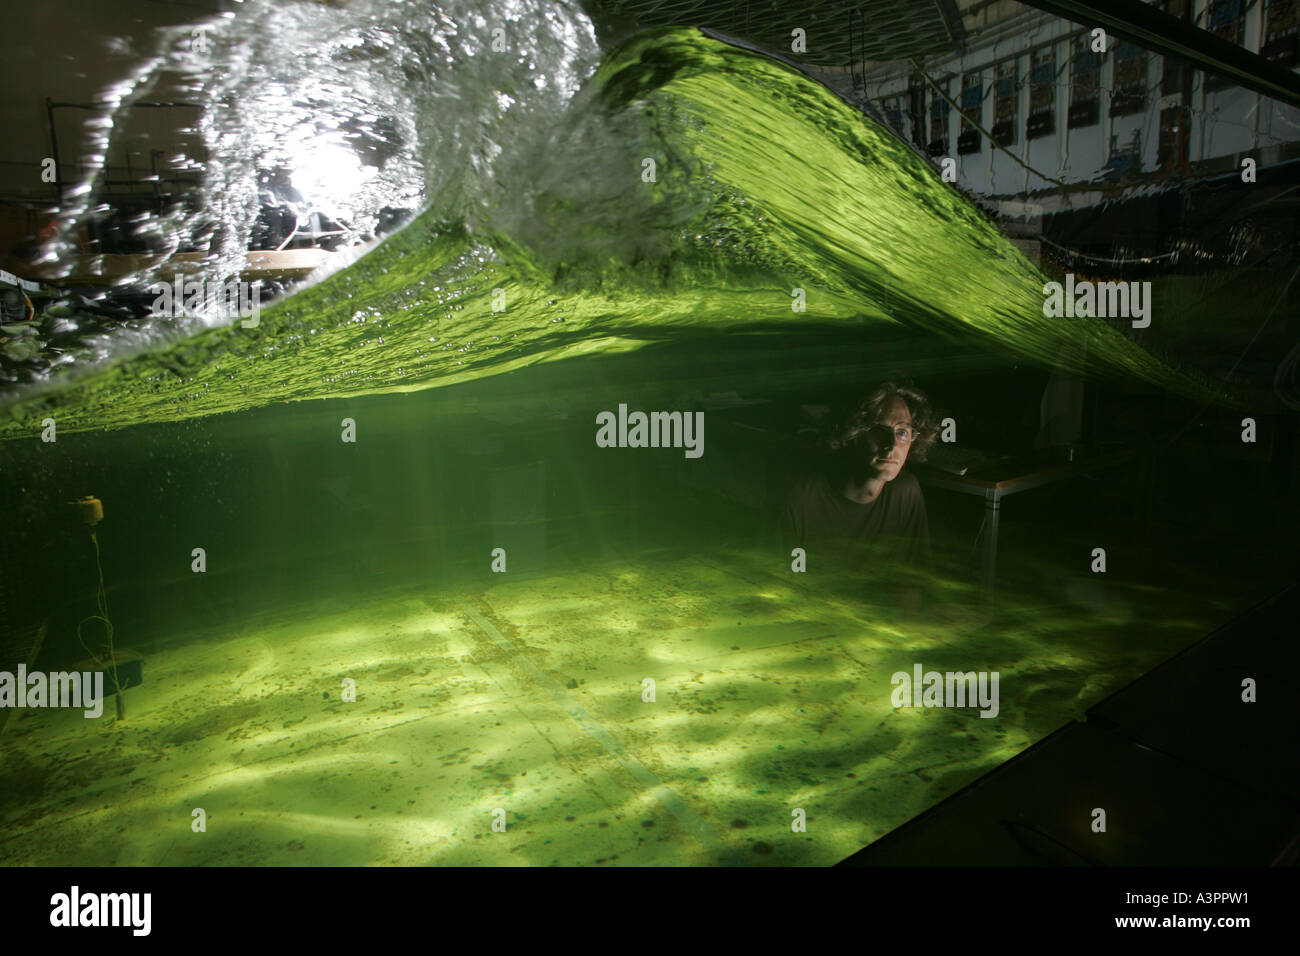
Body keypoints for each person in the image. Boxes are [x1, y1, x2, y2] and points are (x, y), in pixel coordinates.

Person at [779, 382, 936, 607]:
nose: (891, 445)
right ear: (853, 434)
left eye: (902, 432)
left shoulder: (906, 491)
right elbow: (779, 587)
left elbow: (913, 586)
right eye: (877, 431)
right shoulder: (802, 494)